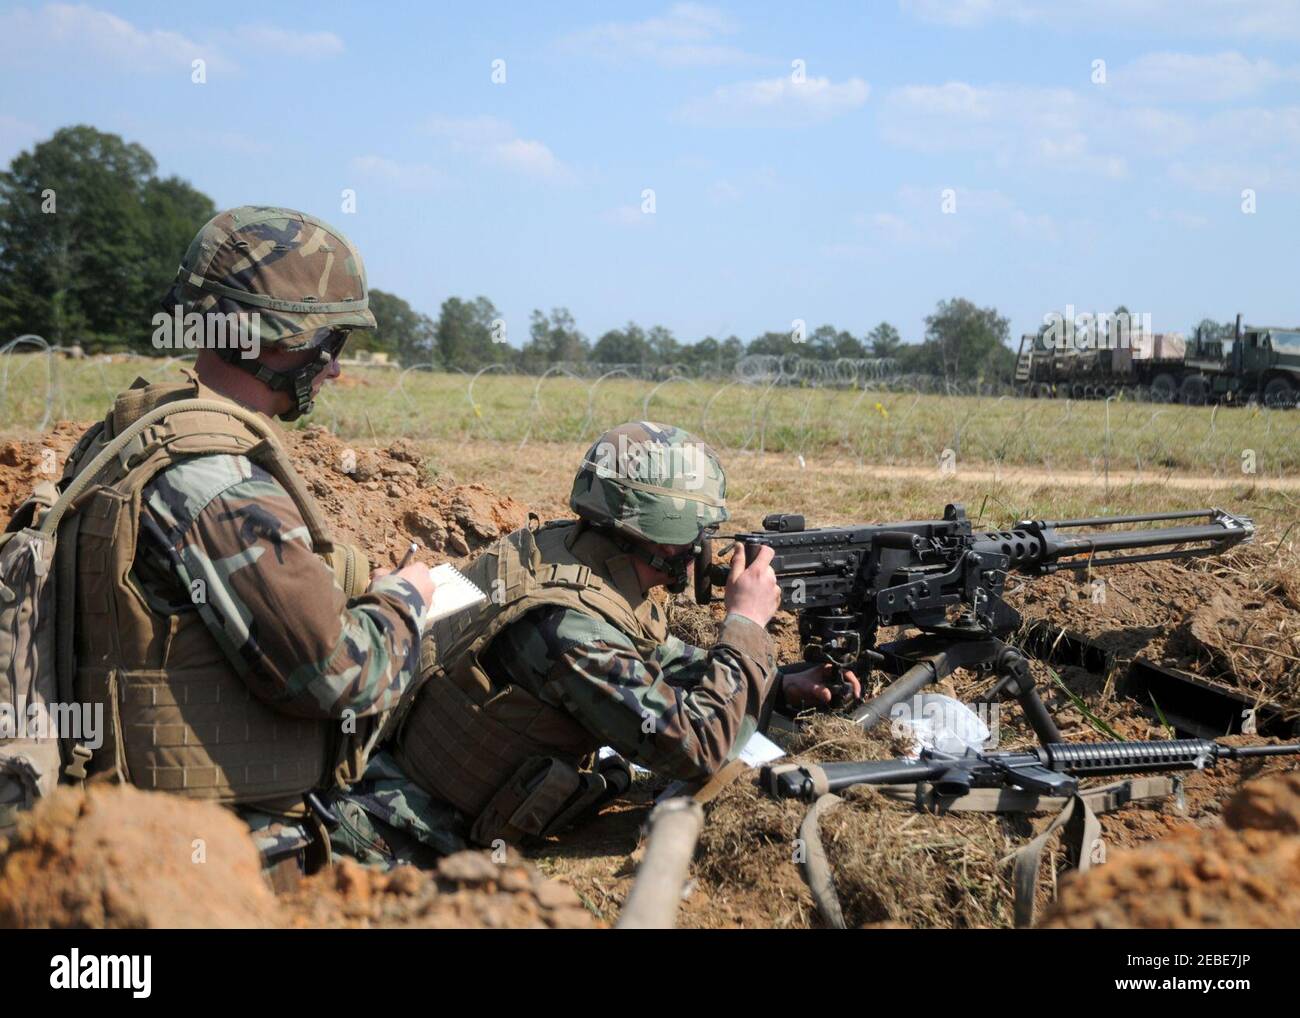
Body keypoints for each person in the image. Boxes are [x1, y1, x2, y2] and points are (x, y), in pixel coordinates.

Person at [46, 206, 435, 868]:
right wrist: (406, 601)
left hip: (117, 808)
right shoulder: (217, 480)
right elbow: (340, 677)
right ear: (280, 340)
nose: (334, 369)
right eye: (329, 343)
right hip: (214, 846)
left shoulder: (134, 432)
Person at [342, 421, 858, 854]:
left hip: (396, 778)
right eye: (700, 531)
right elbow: (698, 749)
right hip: (408, 839)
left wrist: (778, 684)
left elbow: (654, 657)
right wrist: (745, 627)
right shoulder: (574, 632)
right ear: (667, 530)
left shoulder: (561, 550)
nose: (705, 547)